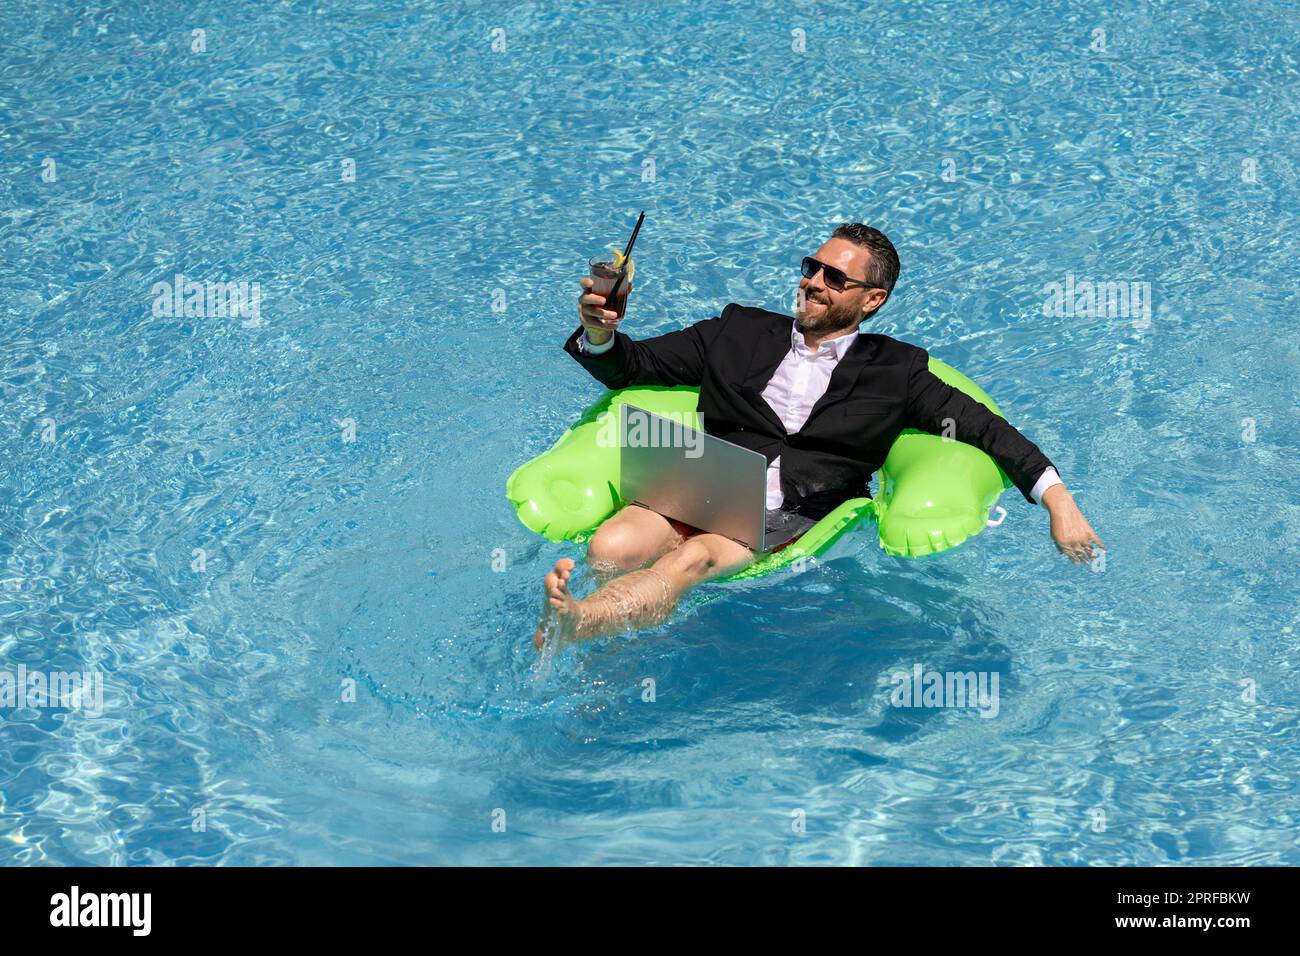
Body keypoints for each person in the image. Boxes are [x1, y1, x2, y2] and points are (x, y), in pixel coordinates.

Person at [534, 223, 1104, 649]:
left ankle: (584, 621)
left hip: (789, 511)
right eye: (812, 267)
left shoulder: (897, 372)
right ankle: (603, 644)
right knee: (610, 545)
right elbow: (634, 367)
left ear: (871, 299)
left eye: (835, 277)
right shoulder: (737, 331)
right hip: (704, 483)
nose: (813, 282)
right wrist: (598, 330)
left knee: (693, 561)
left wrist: (1060, 502)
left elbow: (987, 430)